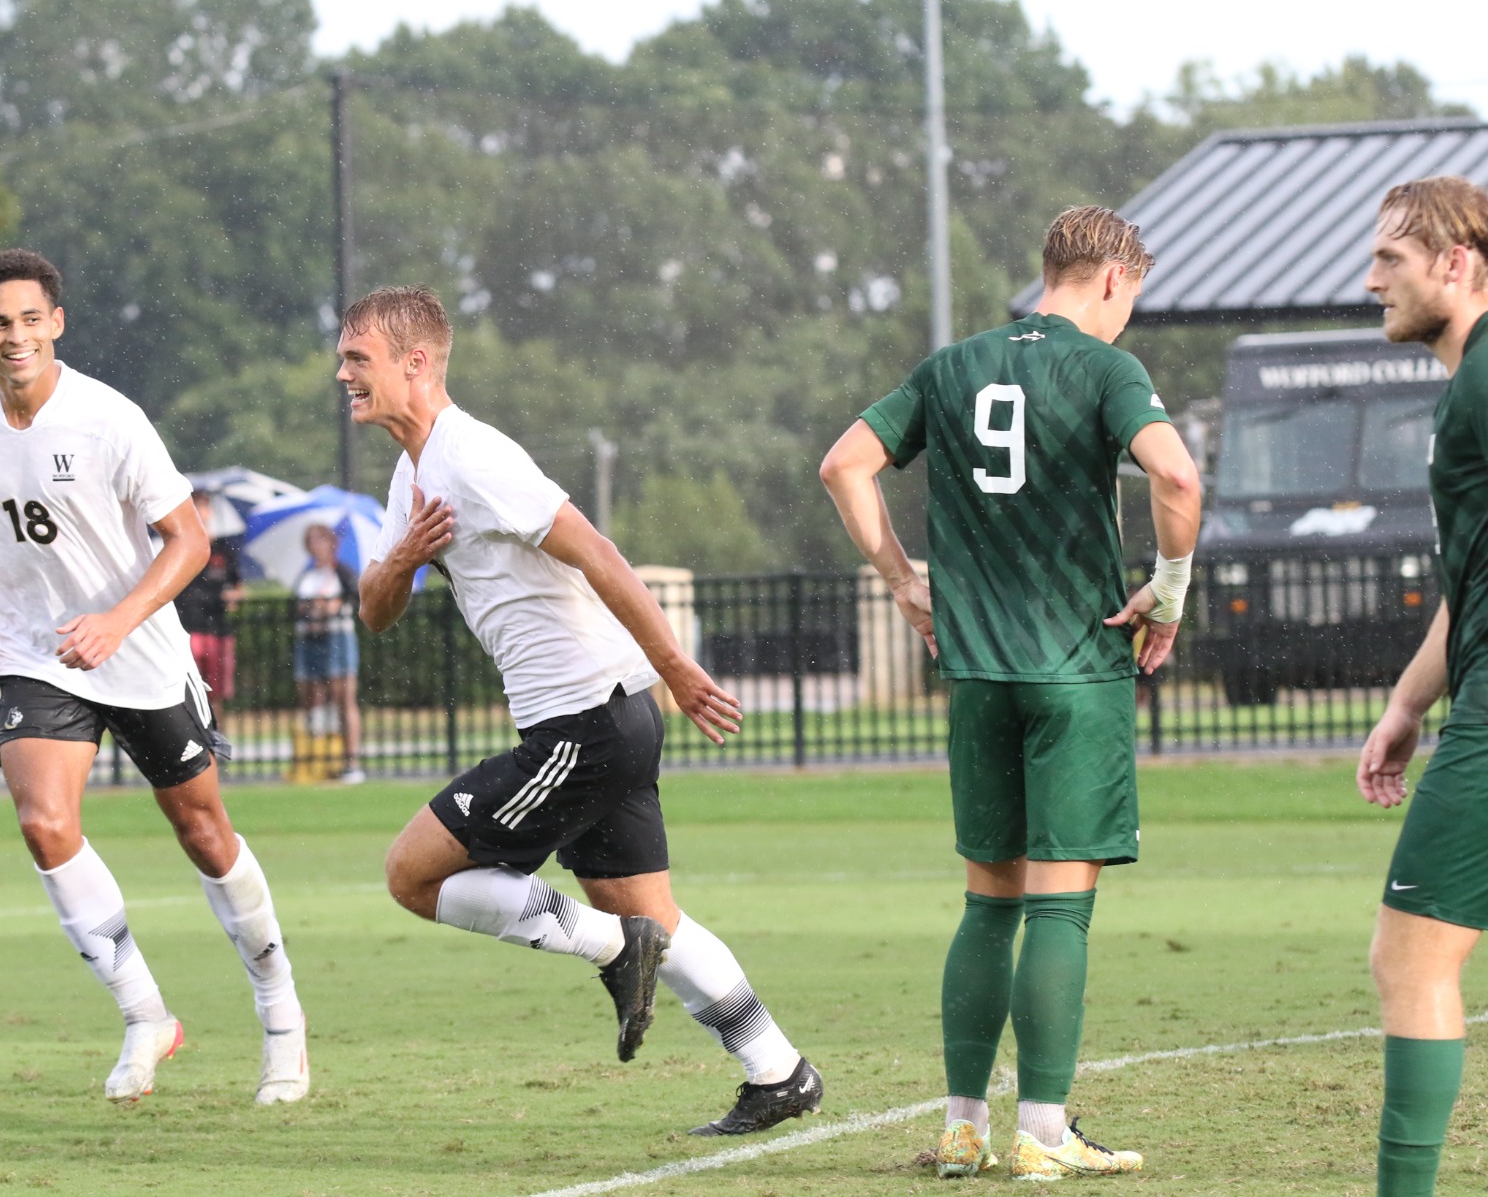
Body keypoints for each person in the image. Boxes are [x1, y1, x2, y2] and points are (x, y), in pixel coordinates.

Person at [345, 284, 822, 1137]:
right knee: (654, 914)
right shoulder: (412, 473)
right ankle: (777, 1068)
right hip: (604, 722)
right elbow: (374, 612)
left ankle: (610, 949)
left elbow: (597, 550)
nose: (342, 373)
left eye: (358, 359)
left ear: (415, 363)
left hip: (587, 724)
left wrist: (675, 664)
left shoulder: (473, 456)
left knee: (412, 874)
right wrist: (405, 558)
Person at [820, 206, 1201, 1181]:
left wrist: (902, 578)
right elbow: (1174, 475)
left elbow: (843, 464)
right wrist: (1167, 587)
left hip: (976, 673)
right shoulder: (1104, 368)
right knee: (1059, 910)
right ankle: (1040, 1130)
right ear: (1112, 280)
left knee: (984, 903)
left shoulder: (952, 366)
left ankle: (958, 1127)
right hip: (1072, 668)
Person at [0, 248, 308, 1106]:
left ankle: (281, 1014)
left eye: (31, 319)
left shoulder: (110, 419)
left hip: (138, 655)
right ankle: (146, 1015)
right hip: (37, 652)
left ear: (56, 323)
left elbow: (190, 538)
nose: (16, 336)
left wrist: (116, 621)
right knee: (43, 822)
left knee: (205, 833)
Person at [1354, 177, 1488, 1197]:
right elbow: (1479, 580)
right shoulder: (1477, 380)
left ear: (1454, 263)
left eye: (1390, 259)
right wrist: (1407, 703)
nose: (1370, 277)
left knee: (1407, 961)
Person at [293, 521, 363, 782]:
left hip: (337, 639)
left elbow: (353, 600)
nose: (317, 546)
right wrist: (316, 608)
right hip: (309, 640)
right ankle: (318, 758)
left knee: (343, 697)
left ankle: (351, 761)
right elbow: (298, 607)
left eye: (321, 540)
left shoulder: (343, 573)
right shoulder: (307, 577)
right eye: (312, 541)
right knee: (312, 698)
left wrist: (328, 607)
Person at [170, 489, 243, 723]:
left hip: (217, 628)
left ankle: (215, 734)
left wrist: (233, 597)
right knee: (187, 688)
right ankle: (195, 734)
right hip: (187, 628)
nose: (201, 512)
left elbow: (238, 585)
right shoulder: (179, 547)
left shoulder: (223, 550)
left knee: (216, 691)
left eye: (204, 506)